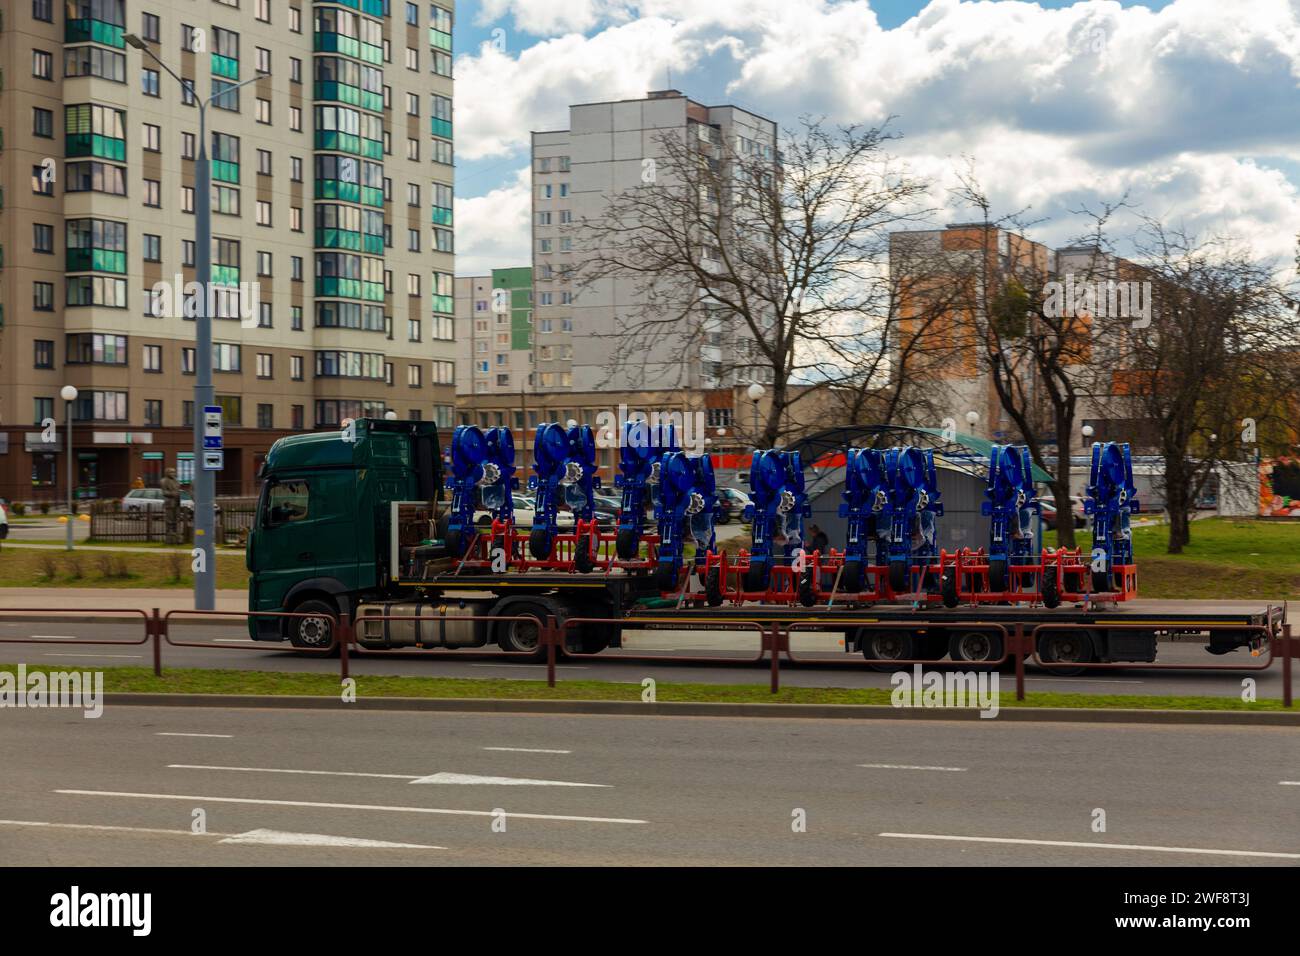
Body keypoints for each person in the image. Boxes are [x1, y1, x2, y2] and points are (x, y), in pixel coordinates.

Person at [160, 467, 181, 544]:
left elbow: (178, 490)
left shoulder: (176, 480)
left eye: (174, 472)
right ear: (167, 473)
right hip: (170, 502)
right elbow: (164, 492)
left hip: (177, 502)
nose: (173, 474)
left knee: (177, 519)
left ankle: (177, 536)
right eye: (171, 472)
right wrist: (173, 494)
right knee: (170, 520)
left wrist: (177, 494)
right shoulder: (163, 481)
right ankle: (170, 535)